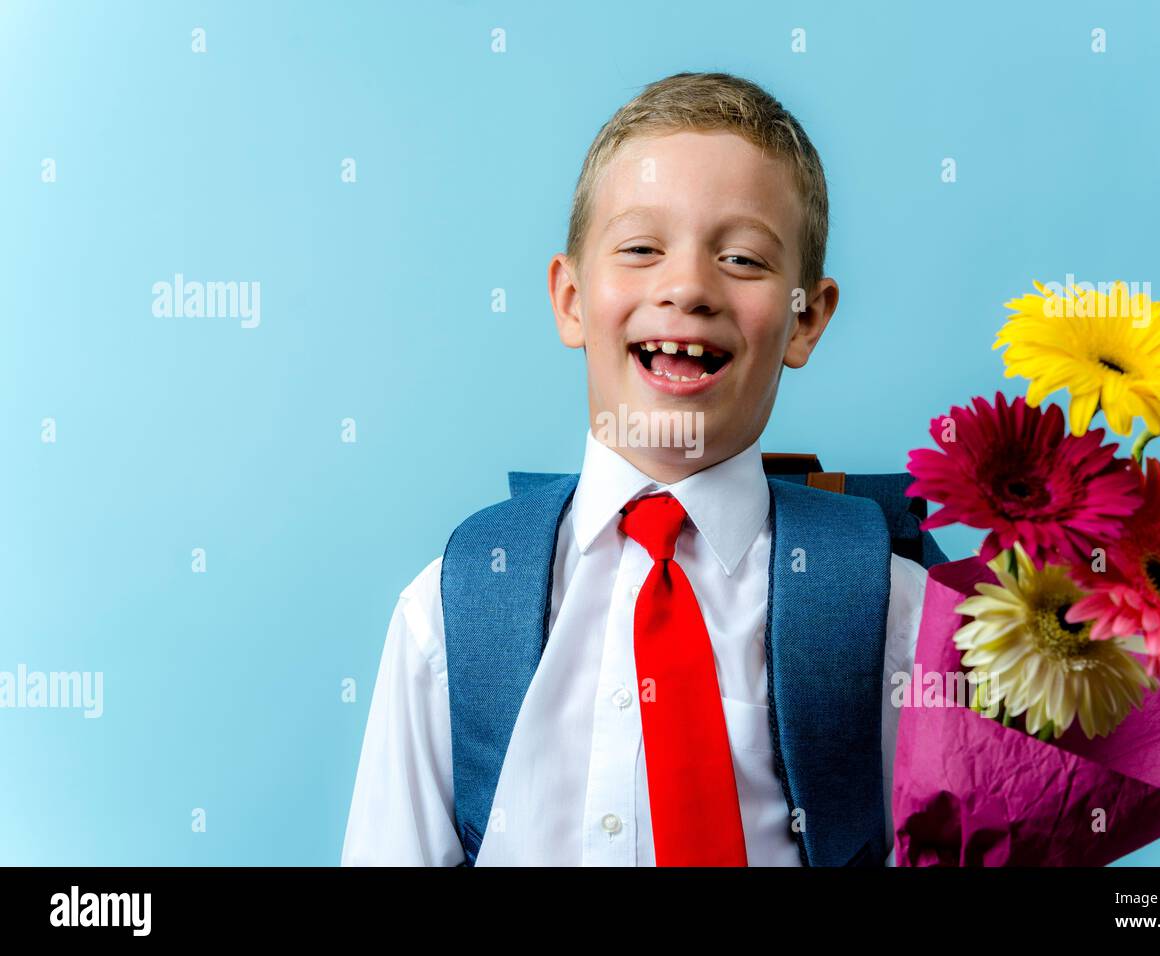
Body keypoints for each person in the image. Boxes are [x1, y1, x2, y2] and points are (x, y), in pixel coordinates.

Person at [342, 71, 929, 867]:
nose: (687, 287)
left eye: (744, 258)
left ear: (807, 317)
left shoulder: (894, 610)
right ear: (572, 299)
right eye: (642, 249)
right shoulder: (448, 613)